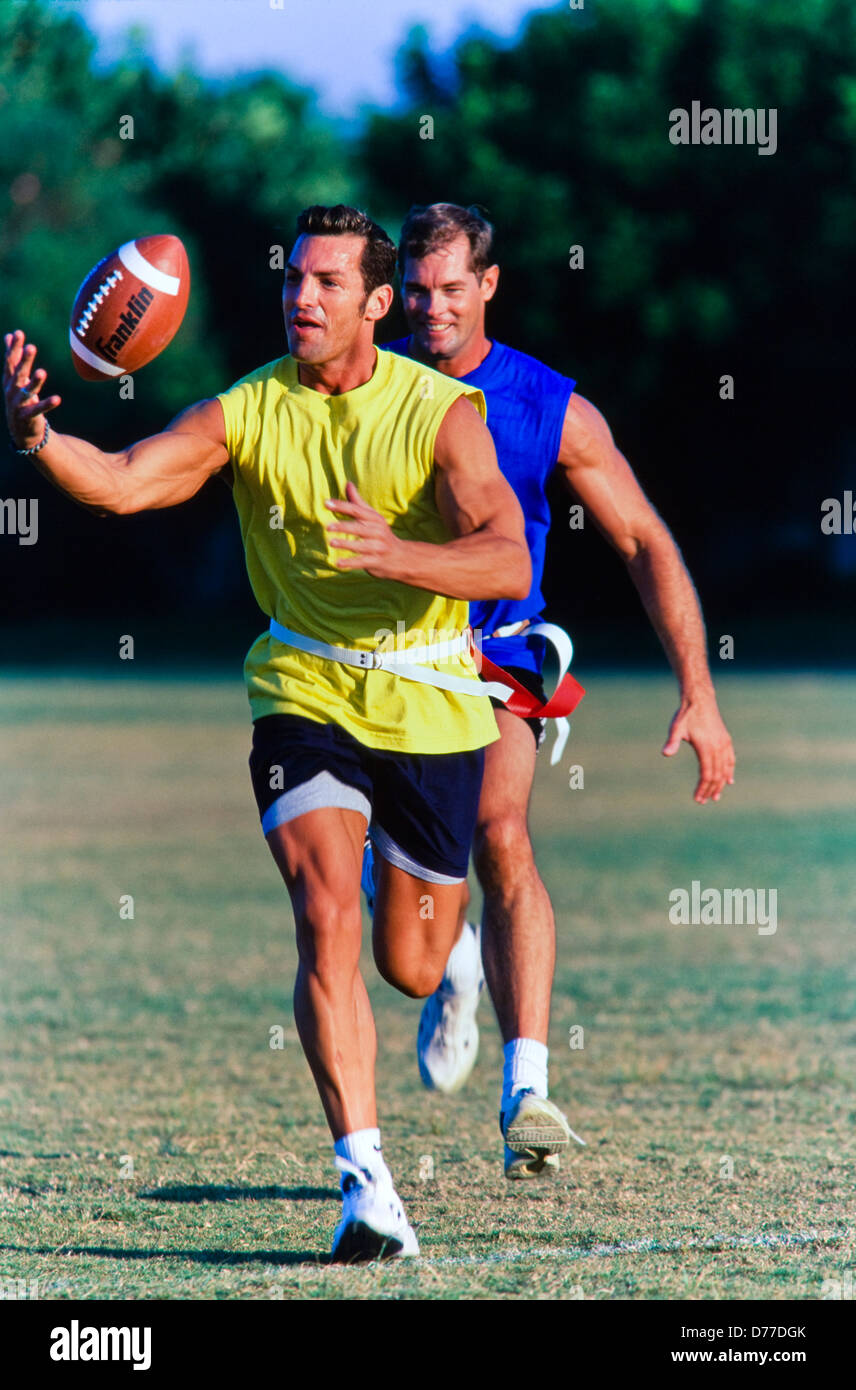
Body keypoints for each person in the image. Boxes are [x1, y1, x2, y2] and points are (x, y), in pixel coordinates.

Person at [2, 204, 532, 1261]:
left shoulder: (441, 414)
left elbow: (507, 560)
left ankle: (454, 952)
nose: (302, 296)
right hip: (301, 691)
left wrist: (401, 557)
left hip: (429, 700)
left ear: (378, 304)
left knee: (412, 965)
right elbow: (120, 485)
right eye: (296, 277)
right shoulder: (245, 410)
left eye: (330, 282)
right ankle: (367, 1186)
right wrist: (37, 437)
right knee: (324, 912)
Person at [372, 202, 736, 1179]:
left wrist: (695, 689)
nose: (432, 308)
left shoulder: (548, 407)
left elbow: (644, 539)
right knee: (396, 882)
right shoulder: (361, 384)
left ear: (489, 285)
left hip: (493, 656)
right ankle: (452, 969)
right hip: (371, 659)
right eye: (415, 290)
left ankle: (527, 1089)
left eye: (453, 289)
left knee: (500, 829)